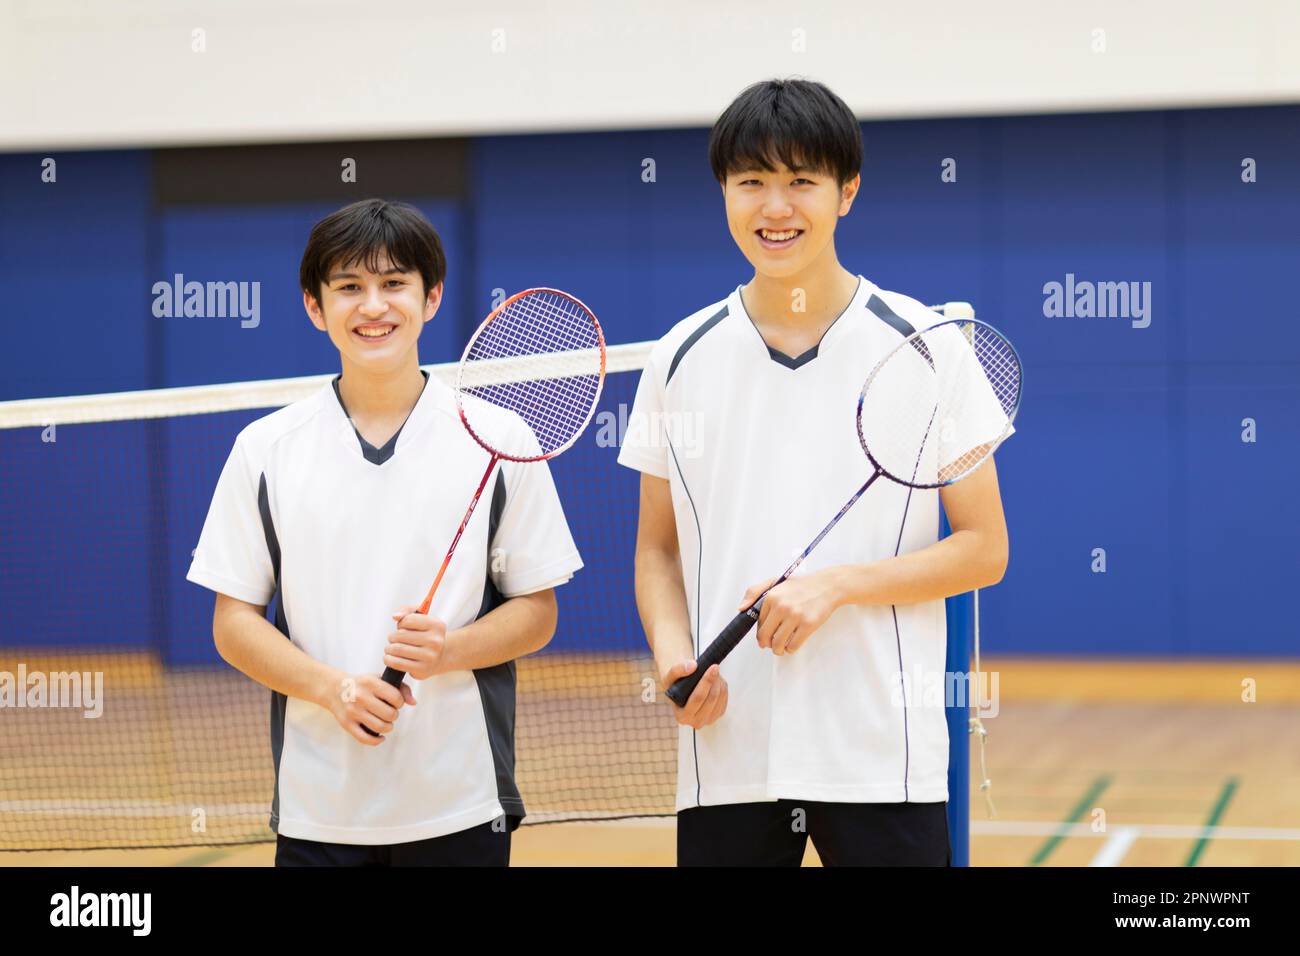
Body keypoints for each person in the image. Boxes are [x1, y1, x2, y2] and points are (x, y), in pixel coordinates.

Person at [618, 79, 1011, 866]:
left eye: (802, 181)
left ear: (847, 192)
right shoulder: (679, 357)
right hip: (728, 749)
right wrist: (673, 659)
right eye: (752, 183)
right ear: (724, 194)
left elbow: (983, 550)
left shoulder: (927, 346)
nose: (776, 208)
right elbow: (655, 551)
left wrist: (835, 586)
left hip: (880, 753)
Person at [187, 199, 583, 866]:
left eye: (394, 283)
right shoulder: (265, 449)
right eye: (349, 287)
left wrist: (451, 650)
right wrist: (332, 688)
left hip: (461, 802)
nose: (373, 305)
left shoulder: (498, 438)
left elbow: (537, 613)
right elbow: (233, 623)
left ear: (431, 298)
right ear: (315, 306)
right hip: (320, 810)